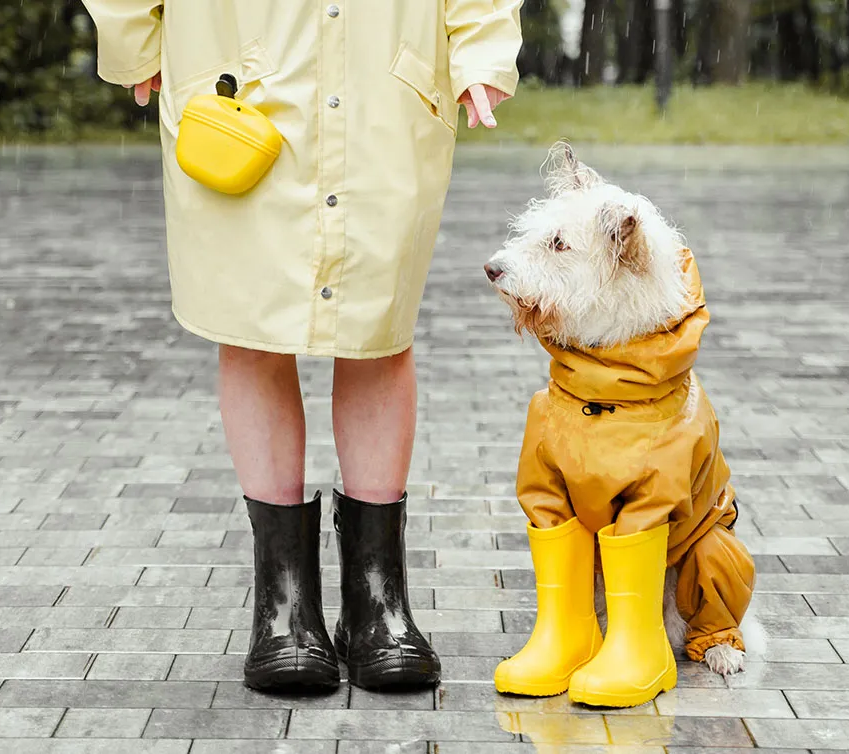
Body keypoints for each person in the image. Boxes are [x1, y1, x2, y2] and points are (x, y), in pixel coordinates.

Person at [81, 0, 523, 692]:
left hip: (387, 87)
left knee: (379, 328)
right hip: (239, 84)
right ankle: (282, 604)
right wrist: (135, 36)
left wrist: (483, 49)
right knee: (251, 325)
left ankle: (378, 602)